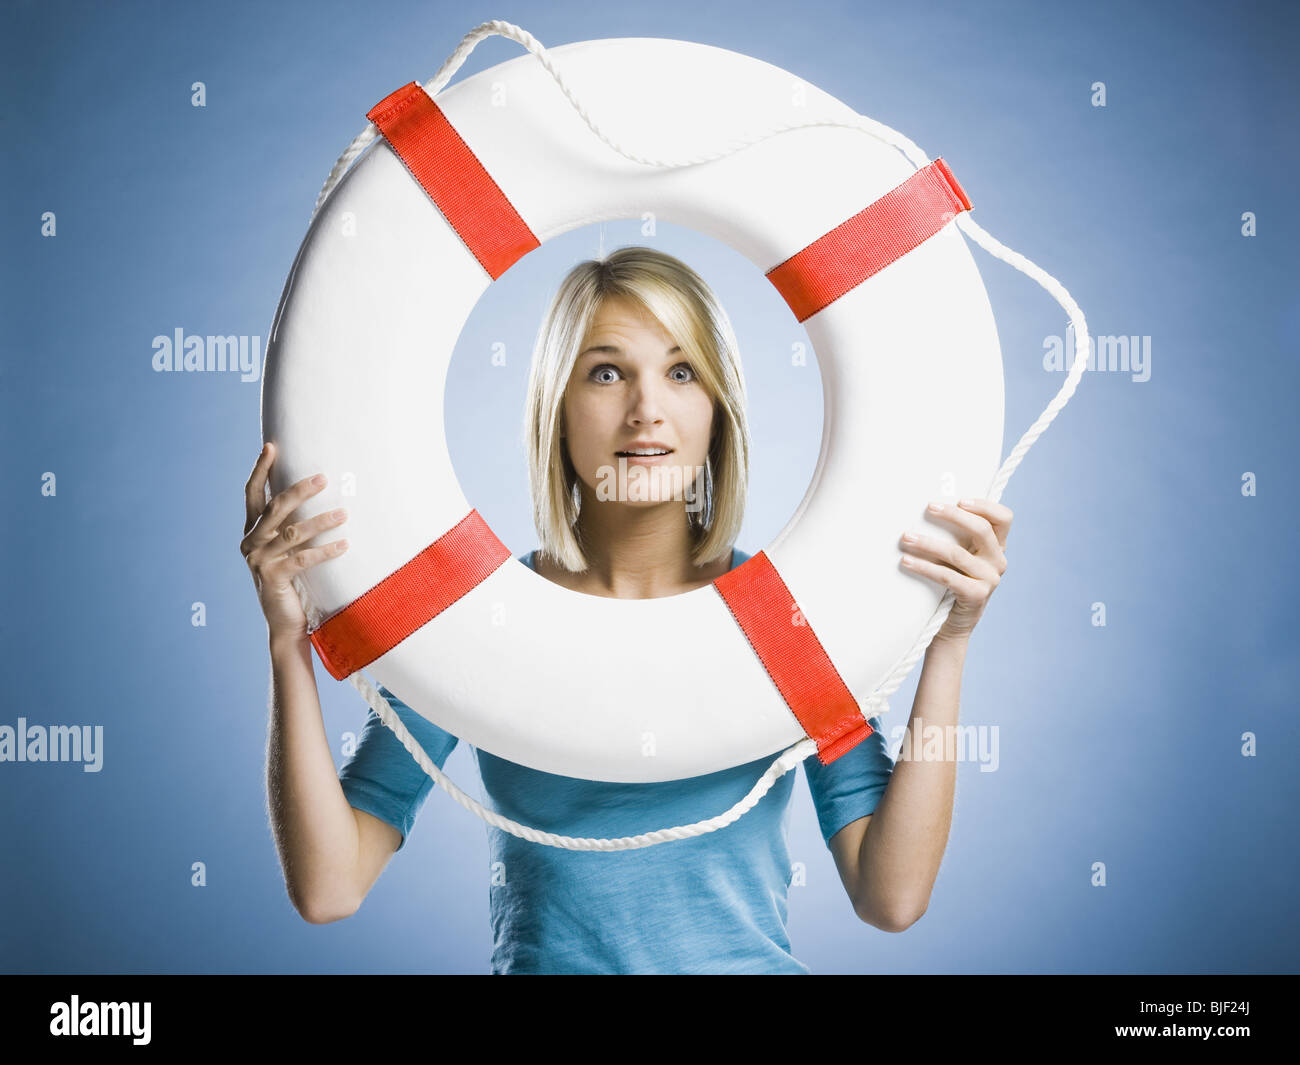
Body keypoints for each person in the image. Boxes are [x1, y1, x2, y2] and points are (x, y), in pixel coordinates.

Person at [240, 246, 1014, 974]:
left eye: (682, 372)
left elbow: (892, 894)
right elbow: (329, 885)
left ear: (717, 412)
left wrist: (951, 641)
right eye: (606, 373)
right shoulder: (479, 623)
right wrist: (286, 641)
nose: (647, 409)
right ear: (557, 407)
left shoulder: (783, 619)